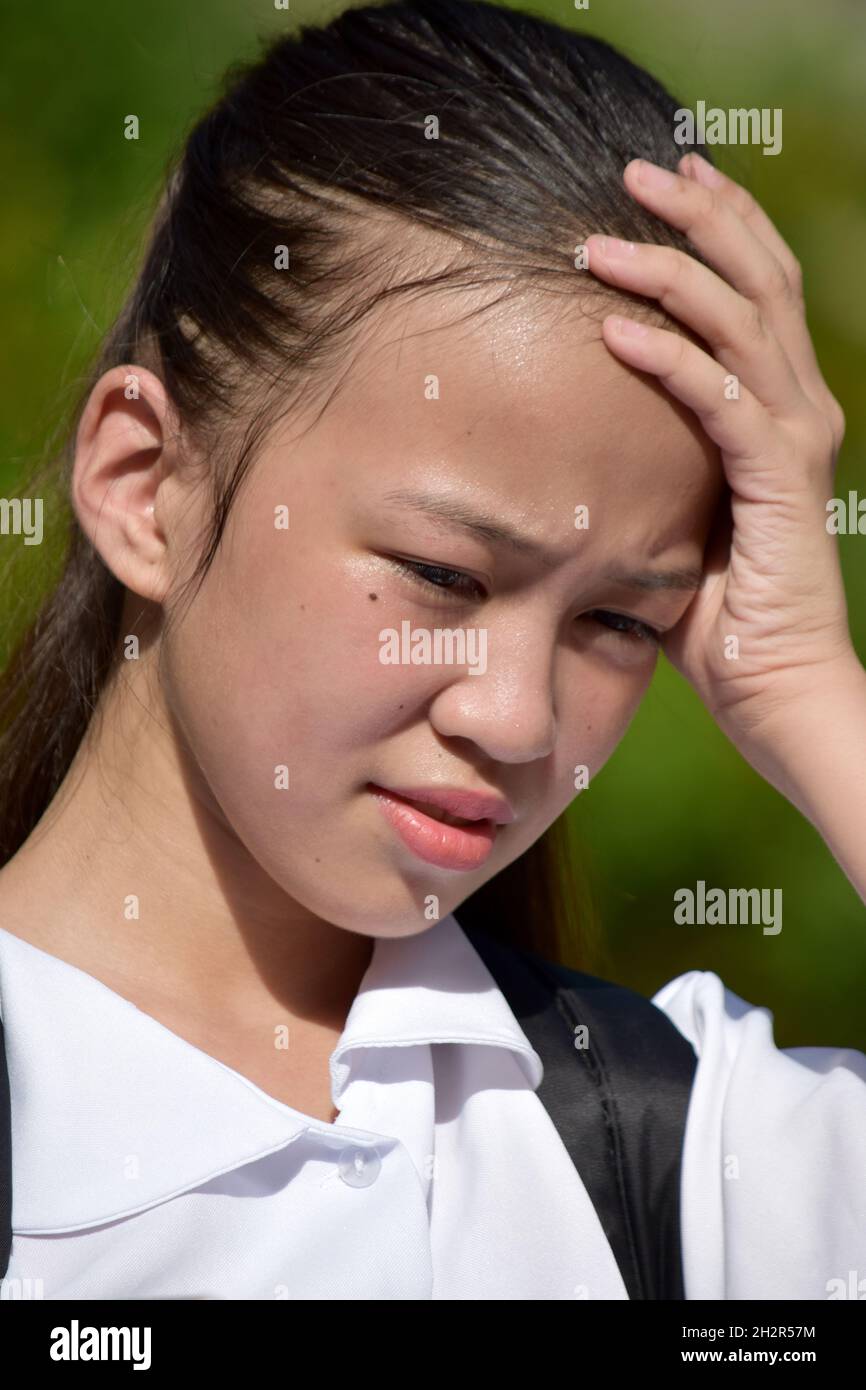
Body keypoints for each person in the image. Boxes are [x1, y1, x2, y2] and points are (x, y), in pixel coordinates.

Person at [0, 0, 863, 1301]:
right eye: (444, 574)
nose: (519, 720)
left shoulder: (678, 1148)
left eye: (616, 619)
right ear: (141, 482)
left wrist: (808, 686)